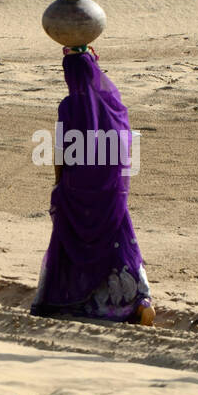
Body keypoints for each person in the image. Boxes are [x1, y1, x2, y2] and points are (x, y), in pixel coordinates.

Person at [31, 46, 154, 324]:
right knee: (119, 238)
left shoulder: (69, 106)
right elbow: (123, 146)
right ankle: (139, 298)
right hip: (109, 190)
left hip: (76, 189)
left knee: (70, 238)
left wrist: (59, 184)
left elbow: (62, 150)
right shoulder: (113, 102)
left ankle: (70, 301)